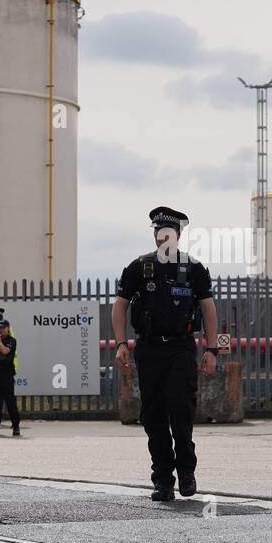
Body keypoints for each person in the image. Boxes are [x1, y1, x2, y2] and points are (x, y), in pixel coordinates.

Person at [112, 207, 219, 501]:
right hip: (149, 349)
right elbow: (120, 305)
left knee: (181, 411)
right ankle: (162, 479)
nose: (164, 236)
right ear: (155, 234)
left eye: (169, 232)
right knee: (153, 415)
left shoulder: (194, 268)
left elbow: (208, 309)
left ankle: (186, 471)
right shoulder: (139, 267)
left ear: (178, 235)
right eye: (159, 231)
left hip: (181, 349)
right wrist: (122, 343)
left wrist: (212, 350)